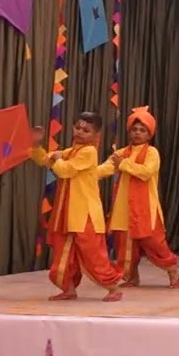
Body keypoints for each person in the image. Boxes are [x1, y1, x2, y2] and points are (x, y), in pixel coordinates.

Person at [29, 113, 123, 302]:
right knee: (63, 255)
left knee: (93, 255)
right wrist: (36, 145)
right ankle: (69, 289)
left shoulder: (89, 152)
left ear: (96, 135)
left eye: (86, 130)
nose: (80, 132)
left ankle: (113, 287)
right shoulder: (72, 151)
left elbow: (65, 170)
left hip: (84, 214)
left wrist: (57, 158)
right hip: (67, 212)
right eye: (77, 127)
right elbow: (45, 160)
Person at [98, 106, 179, 289]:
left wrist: (124, 164)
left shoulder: (152, 153)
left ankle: (172, 271)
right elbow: (105, 168)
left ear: (149, 134)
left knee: (155, 243)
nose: (137, 133)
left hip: (146, 208)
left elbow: (146, 172)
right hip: (123, 207)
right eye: (134, 129)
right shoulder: (121, 153)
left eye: (142, 130)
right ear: (129, 131)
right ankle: (132, 277)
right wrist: (85, 173)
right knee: (124, 245)